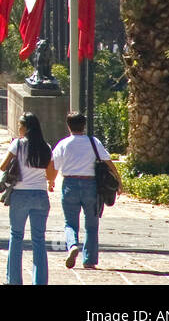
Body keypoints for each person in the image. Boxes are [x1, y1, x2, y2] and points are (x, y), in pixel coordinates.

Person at [51, 112, 121, 270]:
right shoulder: (93, 141)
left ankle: (72, 245)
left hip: (69, 184)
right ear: (84, 126)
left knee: (70, 222)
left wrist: (51, 182)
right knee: (92, 224)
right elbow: (108, 161)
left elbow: (54, 165)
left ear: (68, 126)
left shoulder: (64, 143)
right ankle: (89, 259)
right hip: (90, 185)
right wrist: (119, 180)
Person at [1, 113, 56, 286]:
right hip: (40, 195)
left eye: (20, 125)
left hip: (20, 194)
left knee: (16, 236)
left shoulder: (17, 144)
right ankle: (40, 281)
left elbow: (3, 166)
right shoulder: (46, 147)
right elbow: (50, 174)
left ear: (25, 128)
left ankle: (14, 280)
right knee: (39, 240)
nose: (18, 129)